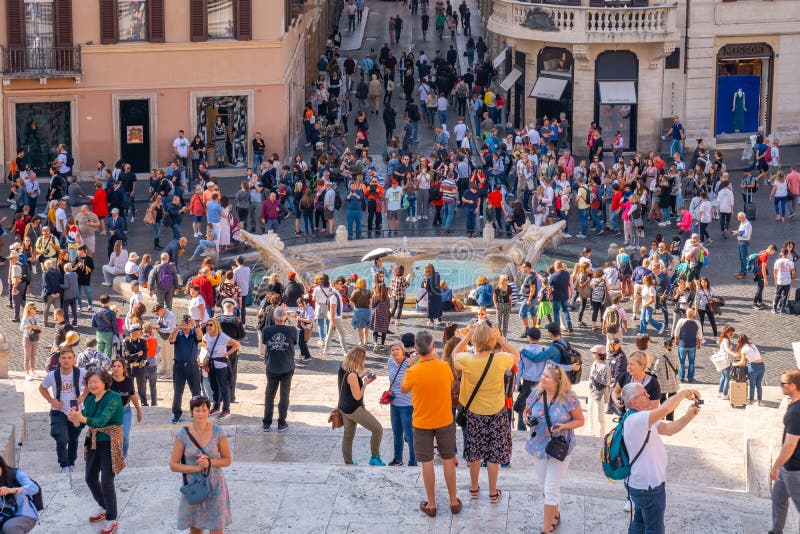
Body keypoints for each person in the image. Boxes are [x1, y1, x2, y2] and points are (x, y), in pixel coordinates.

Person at [453, 322, 520, 503]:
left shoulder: (466, 360)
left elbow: (454, 354)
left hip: (474, 413)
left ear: (475, 340)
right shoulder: (500, 359)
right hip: (496, 412)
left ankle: (474, 489)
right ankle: (492, 492)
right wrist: (499, 337)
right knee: (494, 455)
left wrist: (467, 335)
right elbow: (516, 354)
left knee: (474, 453)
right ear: (491, 340)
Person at [621, 383, 701, 533]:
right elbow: (665, 409)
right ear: (634, 401)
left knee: (639, 522)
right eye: (644, 394)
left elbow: (668, 429)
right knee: (654, 529)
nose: (649, 395)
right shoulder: (637, 419)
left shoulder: (641, 418)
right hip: (649, 486)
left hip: (641, 484)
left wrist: (688, 416)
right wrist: (684, 392)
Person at [400, 330, 461, 517]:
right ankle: (453, 501)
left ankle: (432, 504)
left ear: (416, 349)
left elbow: (403, 389)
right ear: (433, 347)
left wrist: (411, 364)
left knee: (426, 462)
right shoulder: (444, 366)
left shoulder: (413, 371)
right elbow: (451, 385)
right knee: (448, 459)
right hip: (444, 419)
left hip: (422, 421)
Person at [523, 363, 584, 533]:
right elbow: (525, 412)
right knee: (544, 486)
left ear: (557, 380)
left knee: (551, 489)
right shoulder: (536, 393)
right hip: (538, 447)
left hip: (559, 448)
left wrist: (563, 426)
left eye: (547, 376)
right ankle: (554, 514)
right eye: (543, 375)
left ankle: (546, 529)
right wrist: (527, 419)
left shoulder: (569, 398)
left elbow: (580, 420)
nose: (542, 378)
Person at [66, 369, 125, 534]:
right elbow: (82, 422)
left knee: (106, 480)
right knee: (90, 477)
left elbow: (101, 421)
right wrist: (74, 419)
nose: (91, 385)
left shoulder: (113, 397)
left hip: (110, 442)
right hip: (93, 442)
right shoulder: (90, 400)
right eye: (89, 382)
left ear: (104, 382)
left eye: (95, 382)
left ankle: (112, 518)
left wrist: (82, 418)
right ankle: (105, 507)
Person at [169, 396, 232, 534]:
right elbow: (173, 465)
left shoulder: (218, 432)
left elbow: (227, 460)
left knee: (216, 529)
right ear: (191, 412)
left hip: (215, 485)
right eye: (197, 410)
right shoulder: (182, 434)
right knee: (195, 528)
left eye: (204, 410)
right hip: (194, 487)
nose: (201, 413)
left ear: (209, 411)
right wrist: (196, 467)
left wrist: (210, 462)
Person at [38, 346, 87, 473]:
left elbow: (91, 383)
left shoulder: (81, 372)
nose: (66, 360)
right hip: (58, 412)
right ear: (59, 360)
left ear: (74, 360)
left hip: (75, 412)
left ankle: (71, 462)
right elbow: (42, 388)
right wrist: (52, 400)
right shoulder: (52, 375)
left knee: (73, 439)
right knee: (61, 439)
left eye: (69, 358)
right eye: (63, 358)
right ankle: (64, 465)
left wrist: (83, 396)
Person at [338, 347, 385, 465]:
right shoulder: (352, 375)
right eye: (363, 358)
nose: (364, 360)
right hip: (354, 409)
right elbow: (358, 396)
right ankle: (374, 458)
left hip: (343, 407)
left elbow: (347, 384)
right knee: (377, 429)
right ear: (358, 358)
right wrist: (365, 383)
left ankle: (348, 462)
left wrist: (362, 373)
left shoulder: (343, 367)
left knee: (348, 436)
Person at [770, 368, 800, 534]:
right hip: (787, 467)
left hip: (793, 469)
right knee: (778, 497)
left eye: (783, 383)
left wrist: (776, 466)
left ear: (794, 386)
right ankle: (776, 531)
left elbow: (790, 445)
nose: (780, 386)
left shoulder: (796, 412)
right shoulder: (794, 405)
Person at [261, 307, 297, 432]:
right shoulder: (292, 330)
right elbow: (295, 342)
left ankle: (266, 422)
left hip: (272, 366)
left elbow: (265, 342)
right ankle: (282, 422)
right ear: (285, 318)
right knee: (284, 395)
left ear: (273, 318)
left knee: (269, 395)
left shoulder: (266, 330)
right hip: (287, 366)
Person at [202, 318, 240, 420]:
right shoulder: (205, 336)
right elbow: (204, 348)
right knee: (214, 387)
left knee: (224, 387)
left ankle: (226, 409)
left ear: (216, 326)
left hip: (221, 366)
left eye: (210, 325)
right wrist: (203, 359)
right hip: (211, 365)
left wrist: (227, 354)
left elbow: (237, 345)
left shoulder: (222, 337)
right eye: (207, 325)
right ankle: (216, 406)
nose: (208, 327)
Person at [169, 316, 203, 425]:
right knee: (178, 392)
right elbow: (171, 339)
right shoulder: (178, 333)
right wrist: (178, 326)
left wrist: (195, 324)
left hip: (192, 366)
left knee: (196, 392)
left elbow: (200, 337)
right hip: (179, 367)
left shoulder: (194, 333)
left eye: (188, 322)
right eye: (185, 322)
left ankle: (196, 413)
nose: (186, 324)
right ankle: (176, 414)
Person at [387, 336, 415, 467]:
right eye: (392, 350)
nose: (395, 352)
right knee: (397, 432)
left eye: (397, 349)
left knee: (410, 435)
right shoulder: (390, 362)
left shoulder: (409, 362)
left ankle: (413, 461)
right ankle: (398, 459)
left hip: (407, 404)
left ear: (402, 351)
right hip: (394, 404)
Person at [109, 359, 142, 459]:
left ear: (123, 368)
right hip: (110, 412)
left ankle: (123, 455)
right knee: (112, 436)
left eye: (119, 366)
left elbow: (132, 396)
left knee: (125, 436)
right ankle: (112, 455)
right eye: (114, 366)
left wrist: (139, 410)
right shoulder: (108, 381)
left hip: (125, 411)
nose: (116, 368)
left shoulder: (128, 381)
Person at [0, 454, 39, 533]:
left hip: (25, 515)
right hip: (4, 515)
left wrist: (10, 490)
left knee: (10, 527)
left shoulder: (15, 474)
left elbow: (34, 488)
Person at [587, 344, 610, 437]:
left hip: (600, 395)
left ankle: (601, 435)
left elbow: (606, 382)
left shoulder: (605, 366)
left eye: (594, 353)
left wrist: (595, 374)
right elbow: (590, 377)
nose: (592, 354)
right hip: (592, 392)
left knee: (599, 417)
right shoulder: (595, 363)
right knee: (590, 414)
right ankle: (591, 433)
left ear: (599, 354)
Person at [673, 308, 703, 383]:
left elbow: (676, 331)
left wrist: (676, 341)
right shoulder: (697, 322)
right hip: (692, 345)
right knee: (692, 362)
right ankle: (690, 377)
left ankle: (681, 377)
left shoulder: (681, 321)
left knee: (681, 362)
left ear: (686, 314)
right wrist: (699, 344)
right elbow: (700, 335)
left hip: (682, 345)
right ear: (693, 314)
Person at [736, 333, 765, 405]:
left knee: (752, 385)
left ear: (740, 341)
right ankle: (759, 401)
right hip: (762, 366)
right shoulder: (752, 345)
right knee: (759, 384)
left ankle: (751, 401)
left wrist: (735, 364)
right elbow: (758, 356)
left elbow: (742, 362)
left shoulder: (743, 349)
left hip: (754, 367)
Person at [20, 302, 41, 381]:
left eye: (36, 308)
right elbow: (21, 328)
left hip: (35, 338)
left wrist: (39, 330)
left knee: (33, 355)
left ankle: (32, 370)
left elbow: (38, 325)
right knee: (27, 356)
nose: (35, 310)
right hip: (27, 338)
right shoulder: (26, 318)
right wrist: (31, 326)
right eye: (34, 308)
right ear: (29, 309)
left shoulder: (36, 316)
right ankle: (27, 373)